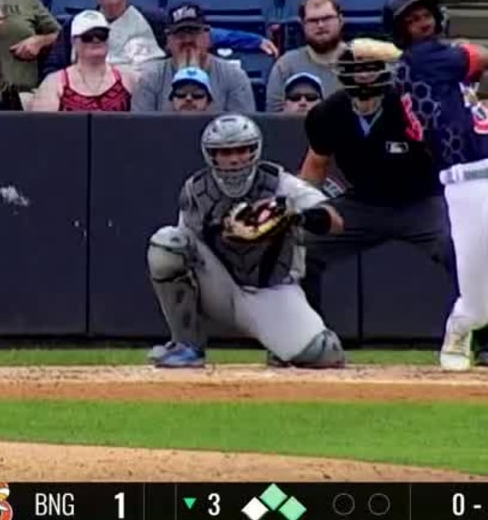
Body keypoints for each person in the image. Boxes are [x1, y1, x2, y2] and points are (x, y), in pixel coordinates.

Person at [298, 38, 488, 365]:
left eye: (371, 67)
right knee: (301, 246)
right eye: (359, 68)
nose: (365, 76)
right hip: (361, 204)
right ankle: (305, 339)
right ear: (344, 72)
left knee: (464, 249)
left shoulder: (410, 105)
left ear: (385, 71)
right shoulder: (328, 112)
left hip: (421, 201)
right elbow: (315, 165)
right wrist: (304, 210)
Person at [385, 0, 488, 379]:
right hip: (465, 186)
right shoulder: (427, 57)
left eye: (424, 15)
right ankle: (457, 330)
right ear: (400, 32)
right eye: (411, 20)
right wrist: (461, 49)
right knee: (476, 306)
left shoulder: (426, 63)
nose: (422, 23)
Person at [146, 114, 346, 369]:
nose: (234, 159)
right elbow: (185, 245)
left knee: (324, 354)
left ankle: (282, 345)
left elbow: (334, 220)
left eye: (242, 150)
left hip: (271, 289)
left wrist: (295, 216)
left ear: (255, 150)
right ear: (211, 155)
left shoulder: (281, 185)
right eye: (224, 152)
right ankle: (186, 345)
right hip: (219, 285)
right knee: (166, 244)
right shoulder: (196, 191)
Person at [29, 9, 136, 112]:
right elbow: (42, 127)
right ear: (74, 41)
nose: (96, 39)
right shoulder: (54, 84)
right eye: (87, 36)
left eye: (101, 34)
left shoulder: (128, 81)